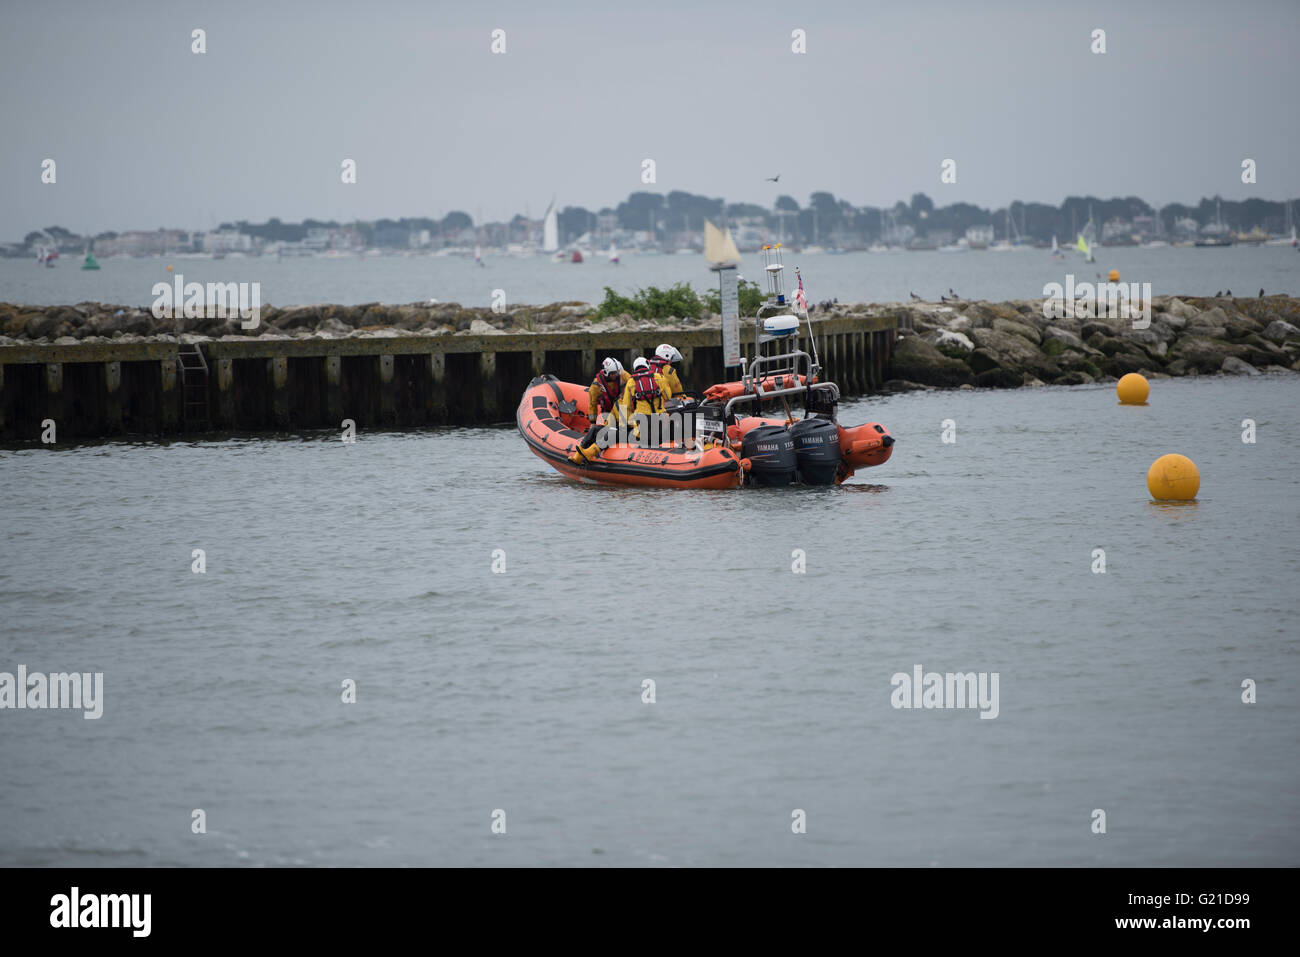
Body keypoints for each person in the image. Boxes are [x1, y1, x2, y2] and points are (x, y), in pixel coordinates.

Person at [569, 357, 628, 465]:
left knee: (610, 432)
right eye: (613, 374)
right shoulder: (596, 386)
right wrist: (592, 422)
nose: (615, 376)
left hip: (625, 419)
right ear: (606, 373)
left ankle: (590, 452)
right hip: (611, 413)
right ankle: (578, 456)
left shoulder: (624, 379)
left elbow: (632, 383)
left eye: (616, 373)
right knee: (595, 429)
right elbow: (592, 405)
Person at [620, 356, 671, 445]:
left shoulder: (631, 382)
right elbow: (667, 397)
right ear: (648, 365)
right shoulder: (659, 377)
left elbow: (626, 406)